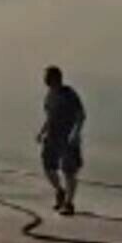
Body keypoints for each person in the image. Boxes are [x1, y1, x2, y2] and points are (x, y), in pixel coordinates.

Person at [37, 65, 86, 215]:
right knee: (48, 167)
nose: (44, 80)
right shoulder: (49, 96)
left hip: (68, 138)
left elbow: (81, 115)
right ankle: (60, 191)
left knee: (69, 171)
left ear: (55, 78)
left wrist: (75, 133)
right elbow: (49, 117)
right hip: (52, 137)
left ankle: (69, 203)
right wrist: (42, 132)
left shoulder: (69, 94)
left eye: (47, 76)